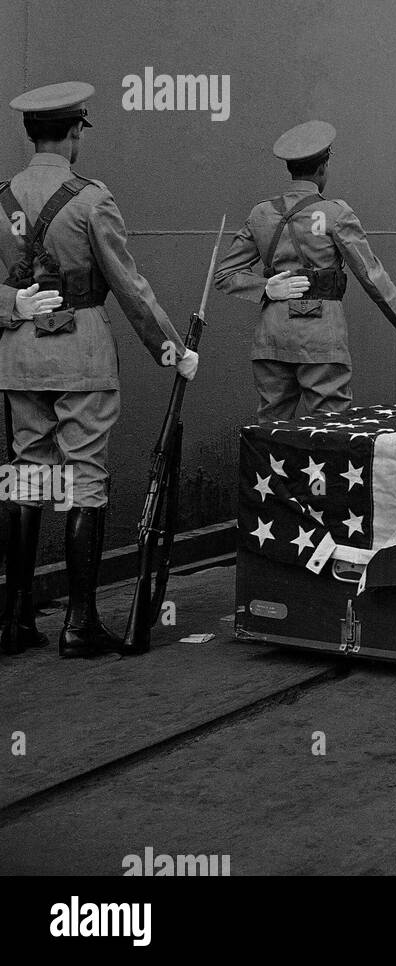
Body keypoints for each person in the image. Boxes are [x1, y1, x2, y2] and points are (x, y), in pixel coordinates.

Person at [0, 82, 198, 658]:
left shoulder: (2, 199)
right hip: (80, 357)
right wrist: (173, 351)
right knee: (83, 478)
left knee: (26, 477)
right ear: (75, 132)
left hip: (19, 359)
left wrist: (13, 306)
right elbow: (130, 288)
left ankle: (14, 620)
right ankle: (79, 624)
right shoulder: (91, 200)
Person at [215, 121, 396, 422]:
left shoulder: (261, 214)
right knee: (330, 433)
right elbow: (371, 276)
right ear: (323, 167)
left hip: (272, 339)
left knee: (272, 434)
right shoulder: (336, 213)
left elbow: (225, 274)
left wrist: (264, 287)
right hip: (321, 339)